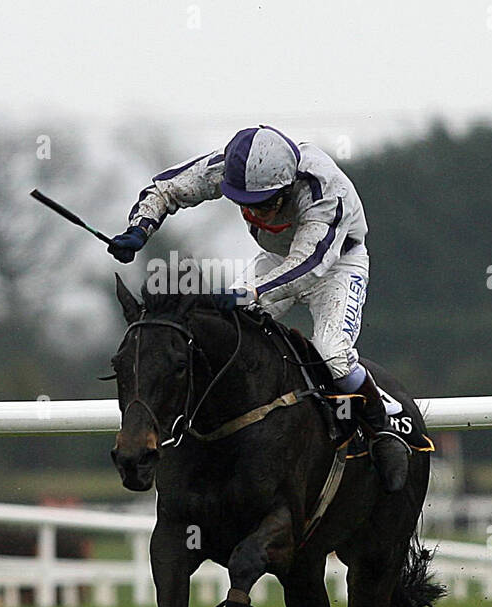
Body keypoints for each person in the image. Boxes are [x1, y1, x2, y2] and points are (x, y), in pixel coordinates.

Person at [108, 125, 409, 491]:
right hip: (275, 258)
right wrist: (140, 228)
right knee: (225, 337)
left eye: (264, 204)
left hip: (336, 264)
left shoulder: (323, 191)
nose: (255, 213)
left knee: (333, 354)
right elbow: (167, 187)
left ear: (286, 188)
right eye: (245, 203)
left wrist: (245, 296)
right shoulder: (229, 167)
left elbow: (307, 266)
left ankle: (381, 427)